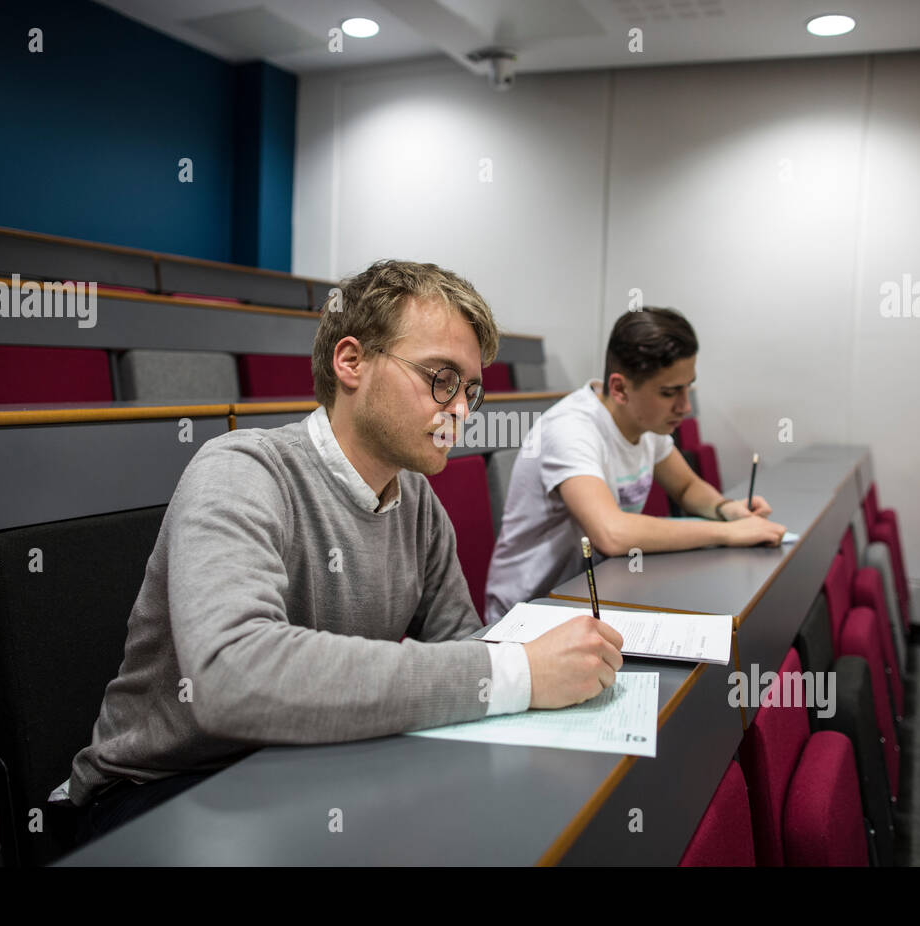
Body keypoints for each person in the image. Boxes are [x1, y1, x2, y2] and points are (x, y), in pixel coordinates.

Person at [54, 260, 624, 840]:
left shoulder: (418, 502)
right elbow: (232, 677)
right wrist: (519, 671)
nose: (459, 411)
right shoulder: (241, 469)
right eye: (440, 377)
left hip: (313, 764)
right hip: (157, 793)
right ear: (350, 362)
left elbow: (461, 651)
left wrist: (536, 675)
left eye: (470, 391)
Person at [485, 307, 786, 623]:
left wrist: (726, 509)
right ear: (619, 389)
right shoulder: (569, 430)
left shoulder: (647, 423)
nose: (684, 406)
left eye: (687, 387)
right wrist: (729, 533)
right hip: (529, 614)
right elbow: (612, 533)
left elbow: (686, 487)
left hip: (595, 595)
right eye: (670, 392)